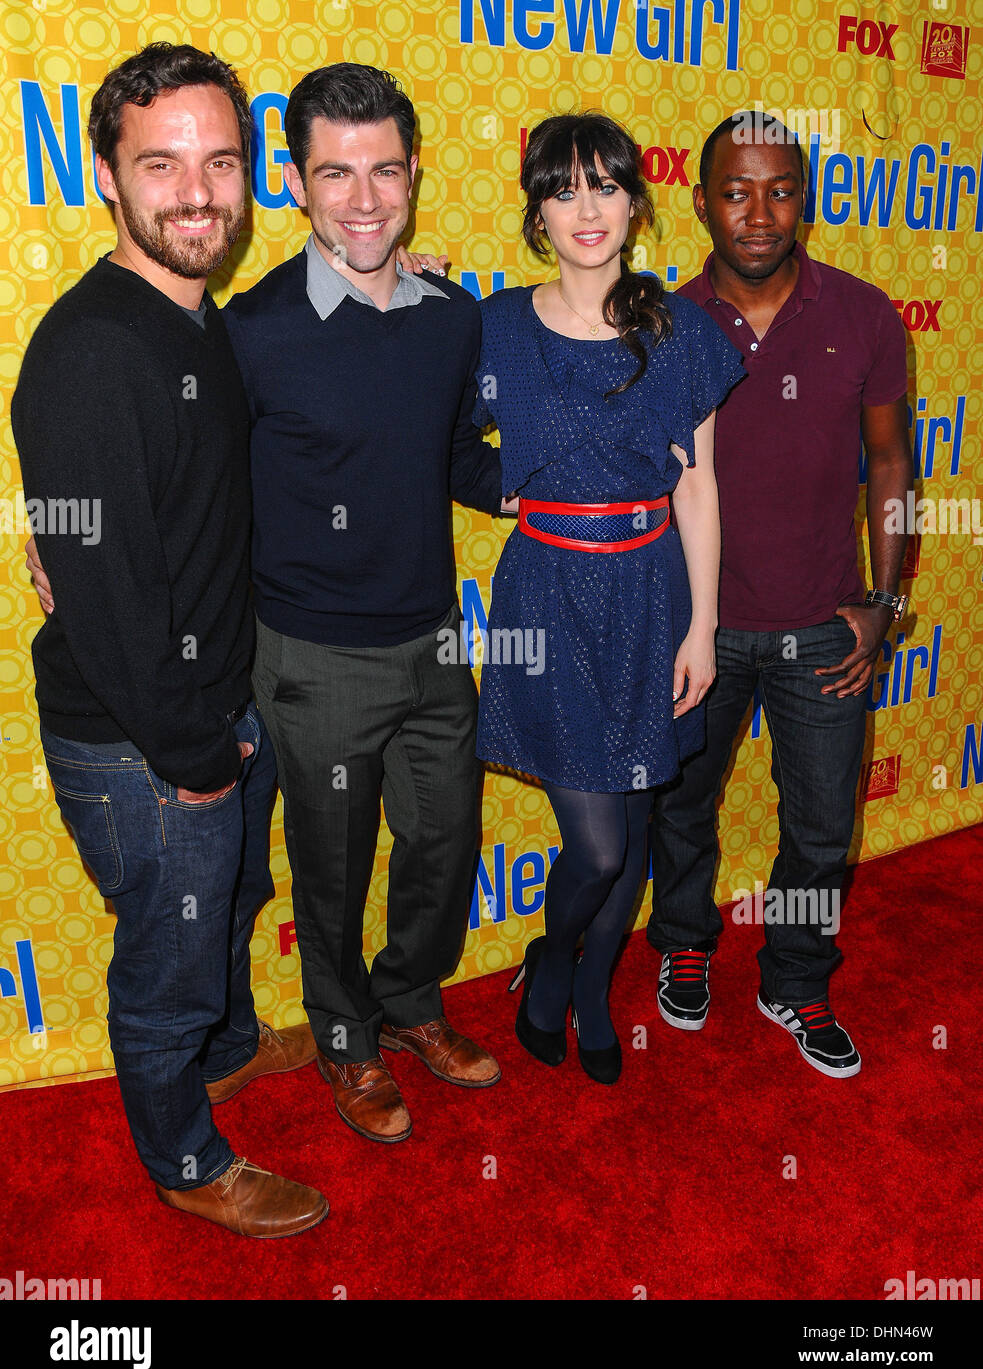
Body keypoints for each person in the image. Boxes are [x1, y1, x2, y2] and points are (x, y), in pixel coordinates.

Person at [12, 43, 327, 1236]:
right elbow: (109, 605)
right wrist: (195, 756)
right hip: (145, 739)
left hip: (213, 703)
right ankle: (186, 1157)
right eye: (162, 164)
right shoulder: (94, 349)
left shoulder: (195, 320)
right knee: (169, 960)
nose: (197, 192)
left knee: (237, 899)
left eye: (221, 162)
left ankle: (229, 1048)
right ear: (106, 175)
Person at [221, 64, 509, 1143]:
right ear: (295, 182)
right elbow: (197, 486)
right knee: (332, 866)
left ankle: (410, 1003)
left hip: (434, 641)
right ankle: (344, 1040)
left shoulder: (450, 316)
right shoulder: (252, 331)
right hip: (309, 658)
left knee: (442, 847)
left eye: (383, 169)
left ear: (414, 173)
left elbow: (452, 459)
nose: (364, 199)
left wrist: (556, 478)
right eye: (334, 173)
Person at [474, 113, 745, 1083]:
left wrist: (702, 626)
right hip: (544, 596)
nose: (585, 209)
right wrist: (499, 484)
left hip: (650, 589)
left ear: (636, 202)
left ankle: (589, 992)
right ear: (535, 212)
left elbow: (698, 486)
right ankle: (551, 964)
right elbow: (441, 433)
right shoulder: (494, 323)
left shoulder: (680, 332)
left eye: (604, 185)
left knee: (631, 819)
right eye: (562, 188)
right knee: (593, 845)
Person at [647, 113, 913, 1077]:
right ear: (700, 199)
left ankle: (795, 978)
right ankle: (682, 937)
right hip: (697, 630)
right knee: (678, 809)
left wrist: (885, 604)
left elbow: (889, 463)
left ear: (806, 196)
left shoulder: (864, 315)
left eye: (779, 190)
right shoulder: (666, 325)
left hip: (821, 628)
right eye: (735, 191)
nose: (757, 214)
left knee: (818, 824)